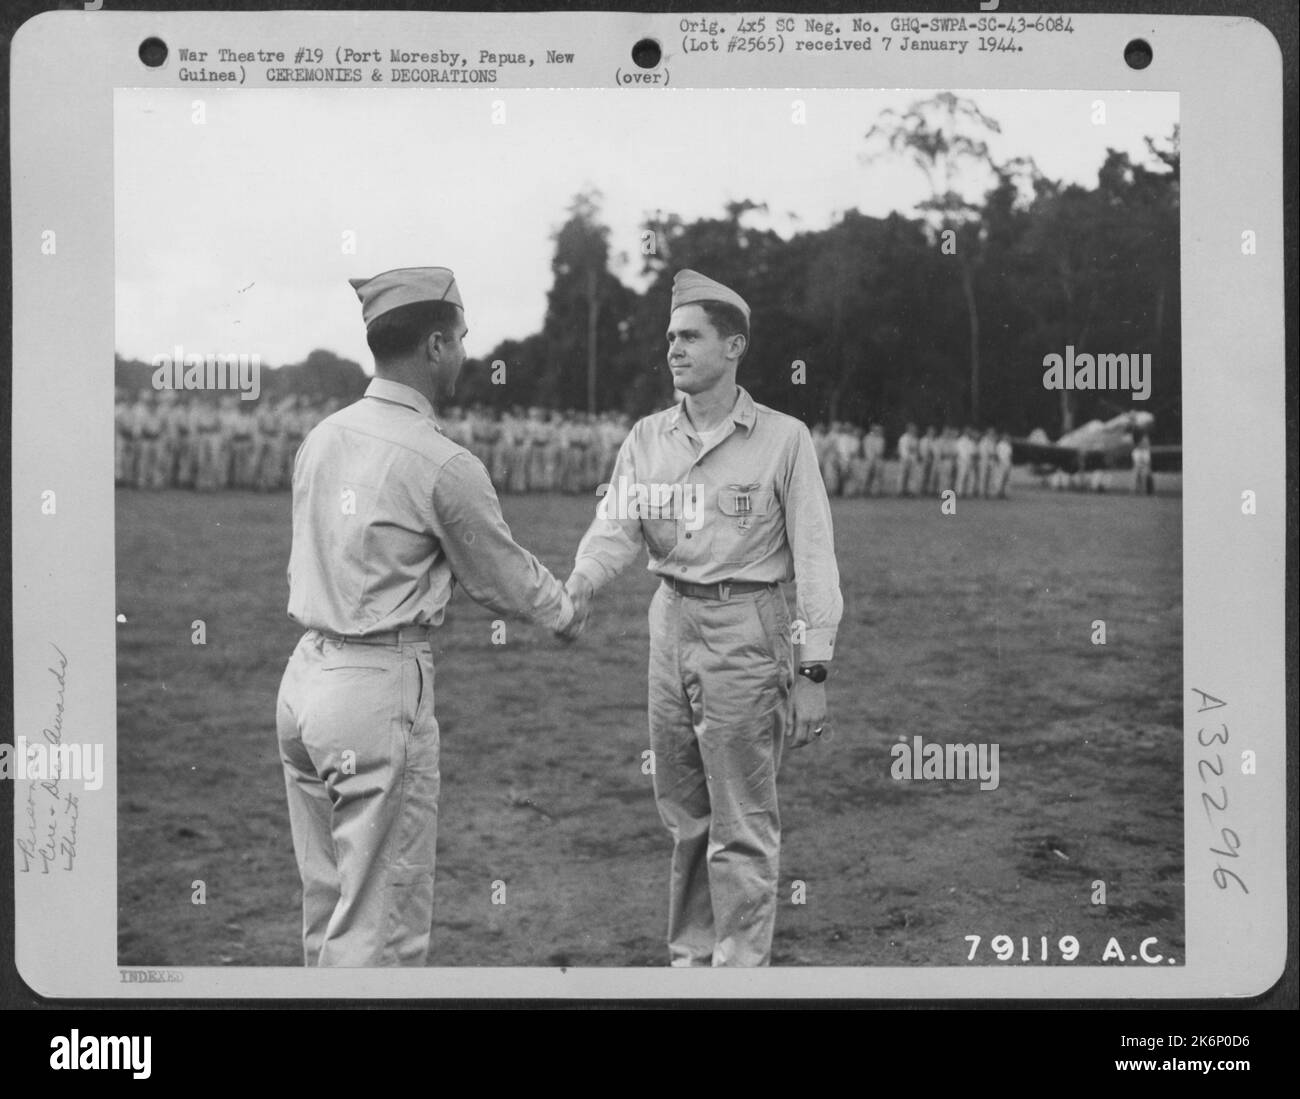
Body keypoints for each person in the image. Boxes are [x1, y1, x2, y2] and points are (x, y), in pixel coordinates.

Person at [276, 266, 581, 967]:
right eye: (463, 339)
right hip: (375, 684)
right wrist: (564, 611)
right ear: (437, 346)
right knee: (382, 924)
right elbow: (501, 574)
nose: (468, 354)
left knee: (328, 909)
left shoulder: (323, 435)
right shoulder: (440, 459)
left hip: (304, 680)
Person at [566, 269, 842, 967]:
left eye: (690, 336)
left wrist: (812, 668)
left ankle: (739, 972)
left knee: (742, 820)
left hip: (747, 624)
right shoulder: (648, 438)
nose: (674, 350)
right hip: (671, 623)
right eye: (669, 338)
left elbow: (814, 560)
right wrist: (580, 585)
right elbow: (615, 526)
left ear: (734, 345)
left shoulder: (783, 439)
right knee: (685, 814)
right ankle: (691, 966)